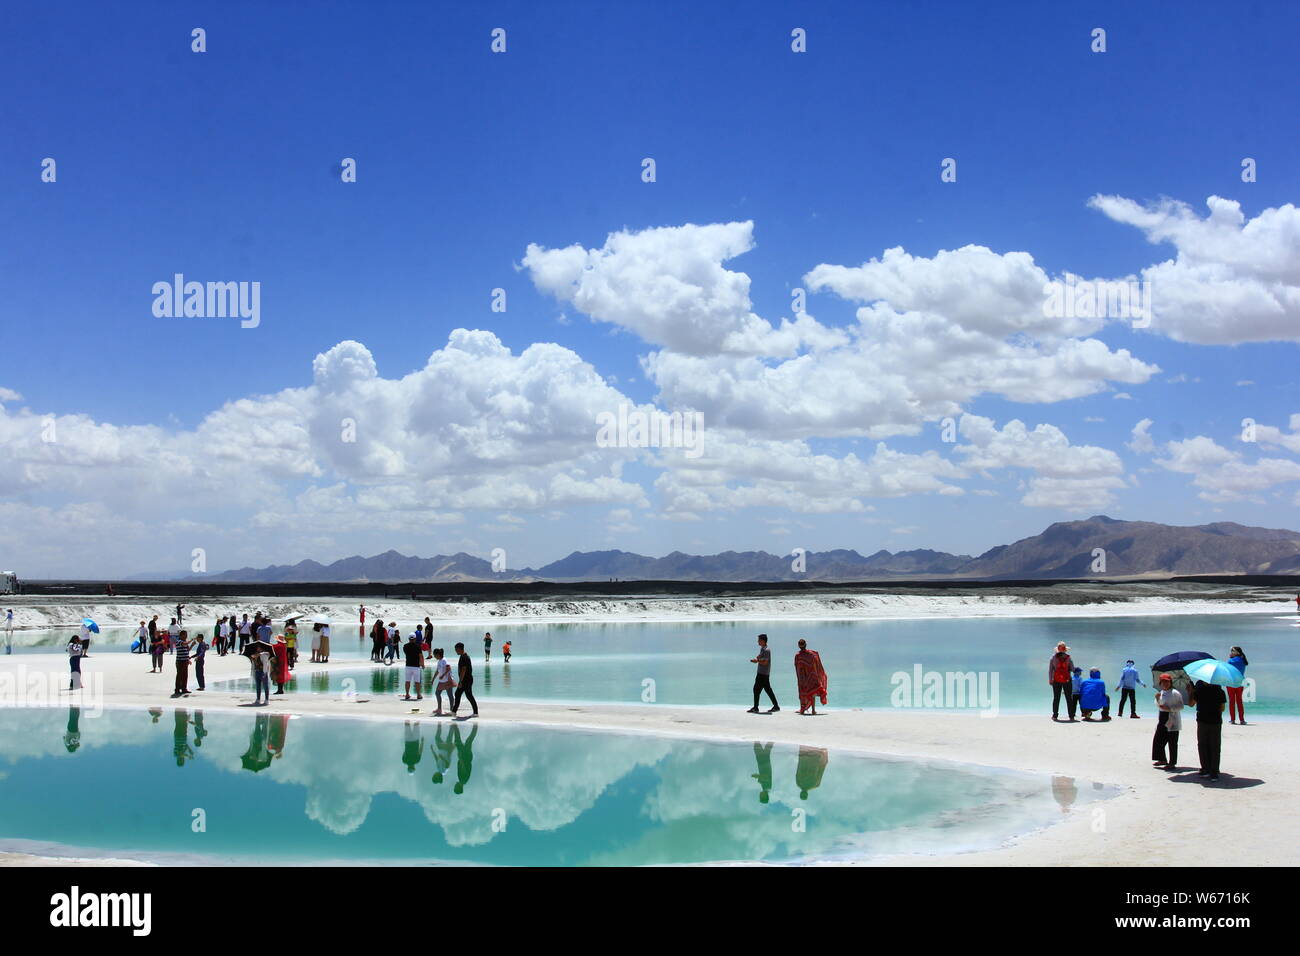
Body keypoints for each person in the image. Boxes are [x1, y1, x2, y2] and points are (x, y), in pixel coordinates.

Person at [1190, 679, 1226, 781]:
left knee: (1203, 745)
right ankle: (1214, 771)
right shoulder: (1220, 691)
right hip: (1215, 720)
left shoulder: (1199, 690)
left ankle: (1206, 769)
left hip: (1203, 720)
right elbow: (1222, 708)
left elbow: (1191, 703)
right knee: (1214, 746)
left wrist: (1191, 692)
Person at [1152, 673, 1184, 770]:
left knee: (1172, 741)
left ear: (1170, 682)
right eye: (1163, 682)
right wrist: (1157, 699)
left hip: (1172, 718)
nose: (1165, 684)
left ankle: (1172, 763)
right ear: (1160, 683)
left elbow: (1181, 706)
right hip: (1162, 718)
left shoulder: (1175, 693)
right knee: (1158, 739)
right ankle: (1162, 759)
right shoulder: (1160, 693)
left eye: (1167, 681)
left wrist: (1170, 708)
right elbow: (1159, 705)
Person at [746, 633, 779, 714]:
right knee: (767, 690)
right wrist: (757, 659)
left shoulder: (767, 650)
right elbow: (760, 657)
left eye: (759, 640)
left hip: (763, 674)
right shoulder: (763, 649)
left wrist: (757, 661)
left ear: (763, 641)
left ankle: (756, 708)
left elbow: (765, 662)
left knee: (756, 689)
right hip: (762, 673)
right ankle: (776, 706)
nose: (758, 642)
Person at [794, 638, 827, 715]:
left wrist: (800, 677)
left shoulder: (798, 656)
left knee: (802, 692)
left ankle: (802, 709)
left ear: (798, 646)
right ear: (806, 645)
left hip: (802, 678)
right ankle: (813, 710)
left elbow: (796, 666)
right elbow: (816, 663)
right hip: (812, 676)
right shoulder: (811, 654)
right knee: (812, 693)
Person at [1048, 642, 1076, 721]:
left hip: (1056, 680)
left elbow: (1050, 670)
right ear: (1065, 650)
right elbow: (1073, 669)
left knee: (1056, 698)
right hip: (1067, 680)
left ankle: (1055, 715)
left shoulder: (1053, 658)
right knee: (1069, 698)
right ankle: (1071, 716)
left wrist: (1050, 679)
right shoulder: (1068, 658)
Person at [452, 642, 478, 717]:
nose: (455, 651)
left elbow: (463, 669)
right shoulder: (464, 656)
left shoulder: (464, 657)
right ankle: (454, 711)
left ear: (459, 649)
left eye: (456, 649)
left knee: (467, 695)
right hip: (467, 679)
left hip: (466, 680)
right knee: (460, 694)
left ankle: (475, 713)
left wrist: (460, 681)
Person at [1227, 646, 1249, 725]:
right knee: (1239, 701)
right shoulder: (1243, 661)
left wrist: (1230, 658)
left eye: (1232, 651)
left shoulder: (1231, 661)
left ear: (1237, 652)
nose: (1231, 652)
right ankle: (1242, 720)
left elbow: (1228, 671)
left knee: (1232, 701)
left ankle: (1232, 719)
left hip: (1231, 683)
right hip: (1240, 683)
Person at [402, 632, 426, 701]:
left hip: (408, 665)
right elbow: (421, 656)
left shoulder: (405, 646)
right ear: (415, 638)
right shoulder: (418, 646)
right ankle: (418, 694)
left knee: (407, 681)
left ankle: (407, 694)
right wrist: (423, 664)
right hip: (416, 666)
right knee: (417, 681)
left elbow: (406, 653)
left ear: (409, 639)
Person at [432, 648, 455, 715]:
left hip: (447, 680)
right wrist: (433, 679)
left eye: (434, 655)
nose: (434, 656)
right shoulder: (439, 661)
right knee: (437, 693)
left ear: (438, 654)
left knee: (450, 695)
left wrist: (443, 675)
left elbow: (449, 668)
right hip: (442, 681)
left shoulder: (444, 660)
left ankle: (452, 710)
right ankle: (439, 709)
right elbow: (437, 671)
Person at [171, 630, 191, 698]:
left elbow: (187, 651)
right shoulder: (179, 642)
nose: (186, 636)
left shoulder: (184, 642)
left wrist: (188, 659)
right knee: (179, 675)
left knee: (185, 675)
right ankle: (177, 689)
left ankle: (184, 688)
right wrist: (190, 641)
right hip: (180, 661)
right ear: (181, 635)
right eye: (185, 635)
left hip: (185, 660)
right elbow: (184, 644)